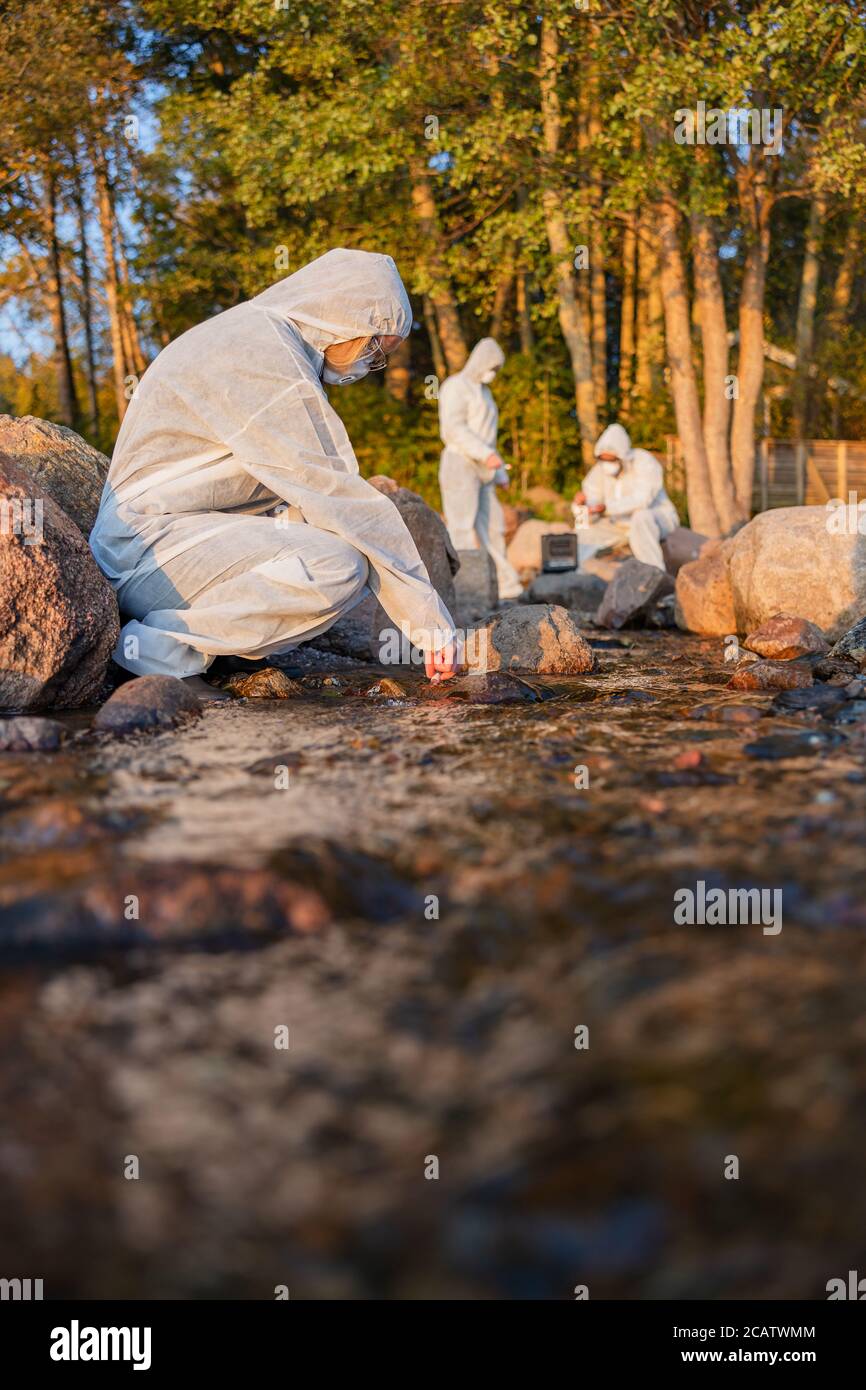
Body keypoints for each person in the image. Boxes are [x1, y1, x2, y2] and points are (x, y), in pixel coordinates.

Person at [90, 248, 458, 697]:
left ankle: (214, 647)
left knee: (340, 542)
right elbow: (333, 493)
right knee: (339, 565)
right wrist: (431, 625)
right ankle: (150, 652)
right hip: (147, 548)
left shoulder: (264, 340)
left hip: (172, 537)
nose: (372, 365)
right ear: (346, 316)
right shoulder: (262, 356)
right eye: (375, 348)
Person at [437, 337, 523, 600]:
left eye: (497, 369)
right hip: (460, 463)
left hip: (484, 468)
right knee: (461, 526)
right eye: (492, 367)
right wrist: (485, 454)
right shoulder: (455, 386)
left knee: (494, 526)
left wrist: (499, 472)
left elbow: (488, 437)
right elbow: (453, 429)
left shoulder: (485, 393)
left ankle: (503, 585)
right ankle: (464, 588)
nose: (493, 374)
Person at [573, 423, 679, 570]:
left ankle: (654, 574)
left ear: (622, 457)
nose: (607, 464)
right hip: (618, 526)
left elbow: (642, 501)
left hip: (657, 519)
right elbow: (587, 513)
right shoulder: (599, 471)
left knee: (641, 517)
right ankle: (576, 575)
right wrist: (580, 507)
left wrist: (606, 508)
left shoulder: (644, 462)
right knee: (581, 530)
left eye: (611, 460)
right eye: (603, 460)